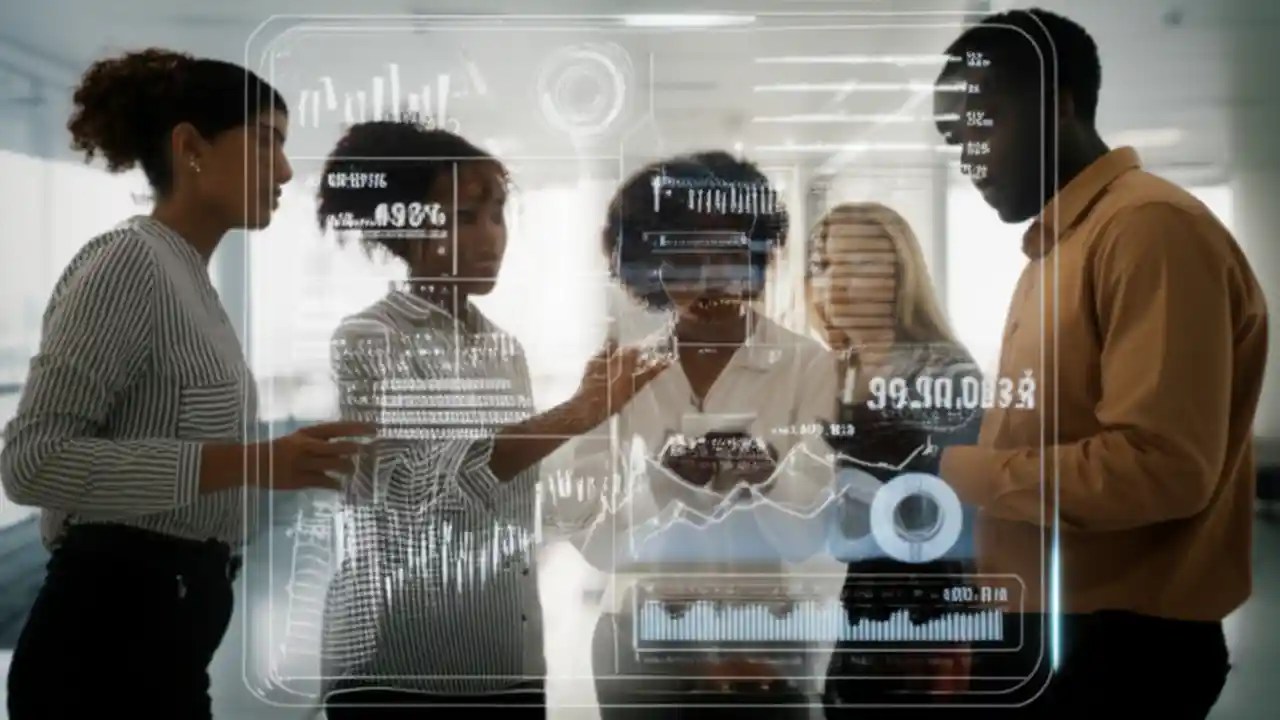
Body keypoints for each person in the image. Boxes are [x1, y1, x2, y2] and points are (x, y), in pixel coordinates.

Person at [0, 49, 373, 718]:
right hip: (103, 654)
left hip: (166, 643)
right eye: (267, 142)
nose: (286, 170)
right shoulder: (129, 265)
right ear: (190, 146)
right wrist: (255, 462)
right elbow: (33, 462)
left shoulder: (187, 281)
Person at [932, 8, 1268, 717]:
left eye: (981, 124)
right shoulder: (1059, 244)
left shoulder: (1148, 230)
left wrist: (949, 467)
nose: (967, 156)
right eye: (952, 137)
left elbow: (1160, 468)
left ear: (1057, 106)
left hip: (1118, 650)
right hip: (1048, 629)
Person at [315, 122, 665, 716]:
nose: (490, 237)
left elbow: (511, 498)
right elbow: (422, 489)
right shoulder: (370, 337)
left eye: (498, 214)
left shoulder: (505, 350)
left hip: (507, 657)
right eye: (464, 217)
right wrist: (578, 413)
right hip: (403, 666)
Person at [547, 151, 841, 719]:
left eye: (729, 254)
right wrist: (658, 487)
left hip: (765, 639)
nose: (710, 278)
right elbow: (592, 537)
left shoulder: (809, 367)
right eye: (685, 257)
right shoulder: (622, 374)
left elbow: (811, 541)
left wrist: (768, 477)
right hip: (639, 638)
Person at [803, 202, 982, 716]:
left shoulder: (944, 369)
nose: (837, 283)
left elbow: (960, 512)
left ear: (900, 275)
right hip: (860, 598)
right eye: (826, 265)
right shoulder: (833, 368)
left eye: (859, 265)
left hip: (928, 609)